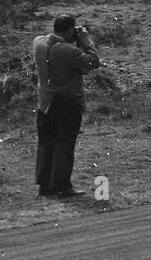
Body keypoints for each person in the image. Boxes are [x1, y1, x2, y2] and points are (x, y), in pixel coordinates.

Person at [32, 14, 101, 198]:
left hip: (45, 101)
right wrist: (85, 39)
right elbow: (93, 62)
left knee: (46, 143)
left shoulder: (38, 42)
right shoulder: (67, 50)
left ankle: (45, 185)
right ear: (70, 30)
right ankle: (62, 186)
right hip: (66, 101)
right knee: (65, 144)